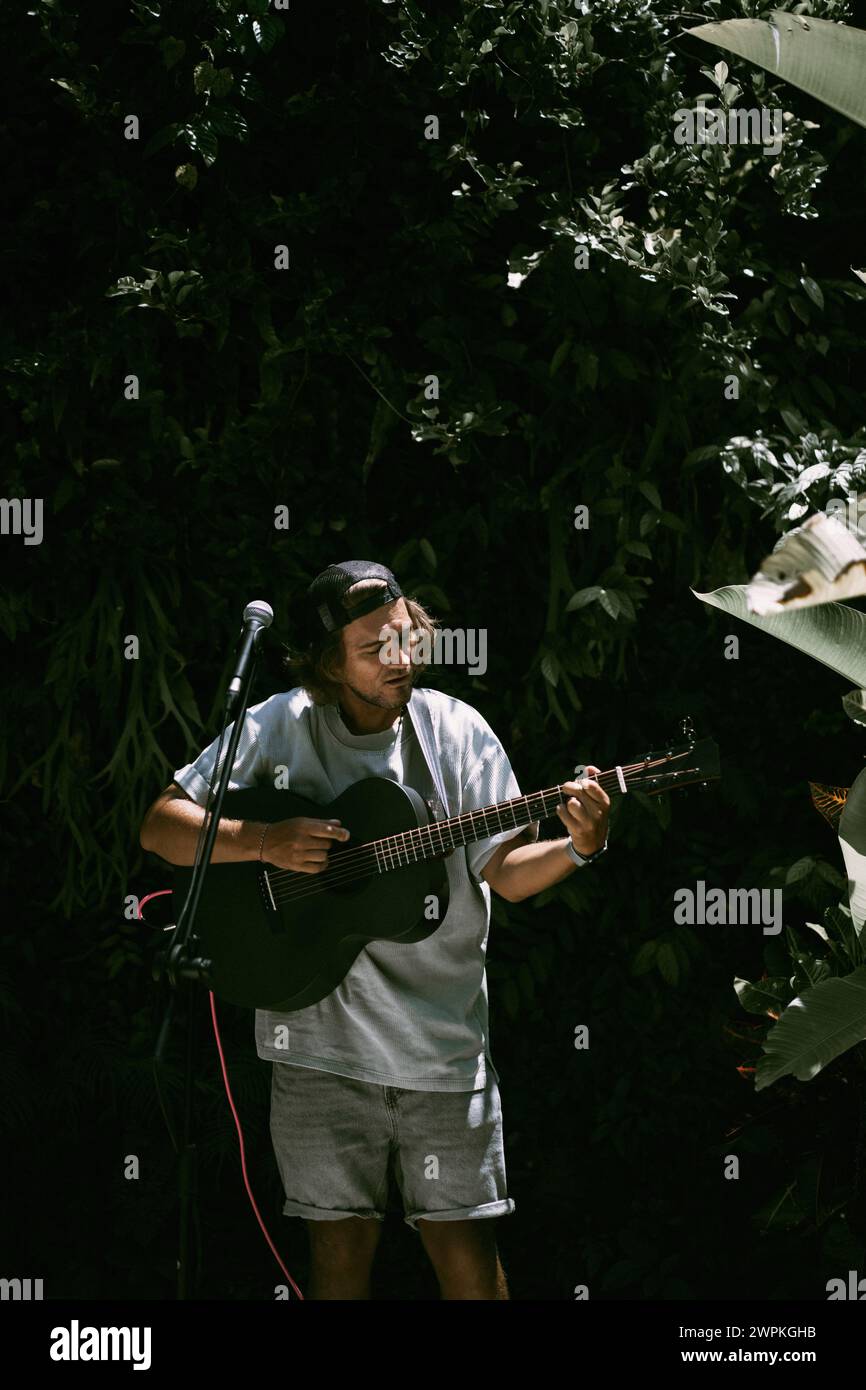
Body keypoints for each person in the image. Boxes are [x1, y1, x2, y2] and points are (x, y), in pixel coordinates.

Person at [139, 560, 610, 1300]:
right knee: (337, 1261)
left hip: (441, 1052)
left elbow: (509, 870)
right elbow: (163, 826)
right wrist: (264, 842)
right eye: (373, 649)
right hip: (317, 1049)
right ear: (329, 666)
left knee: (469, 1264)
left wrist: (581, 844)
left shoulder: (457, 731)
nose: (399, 660)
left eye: (404, 639)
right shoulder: (277, 725)